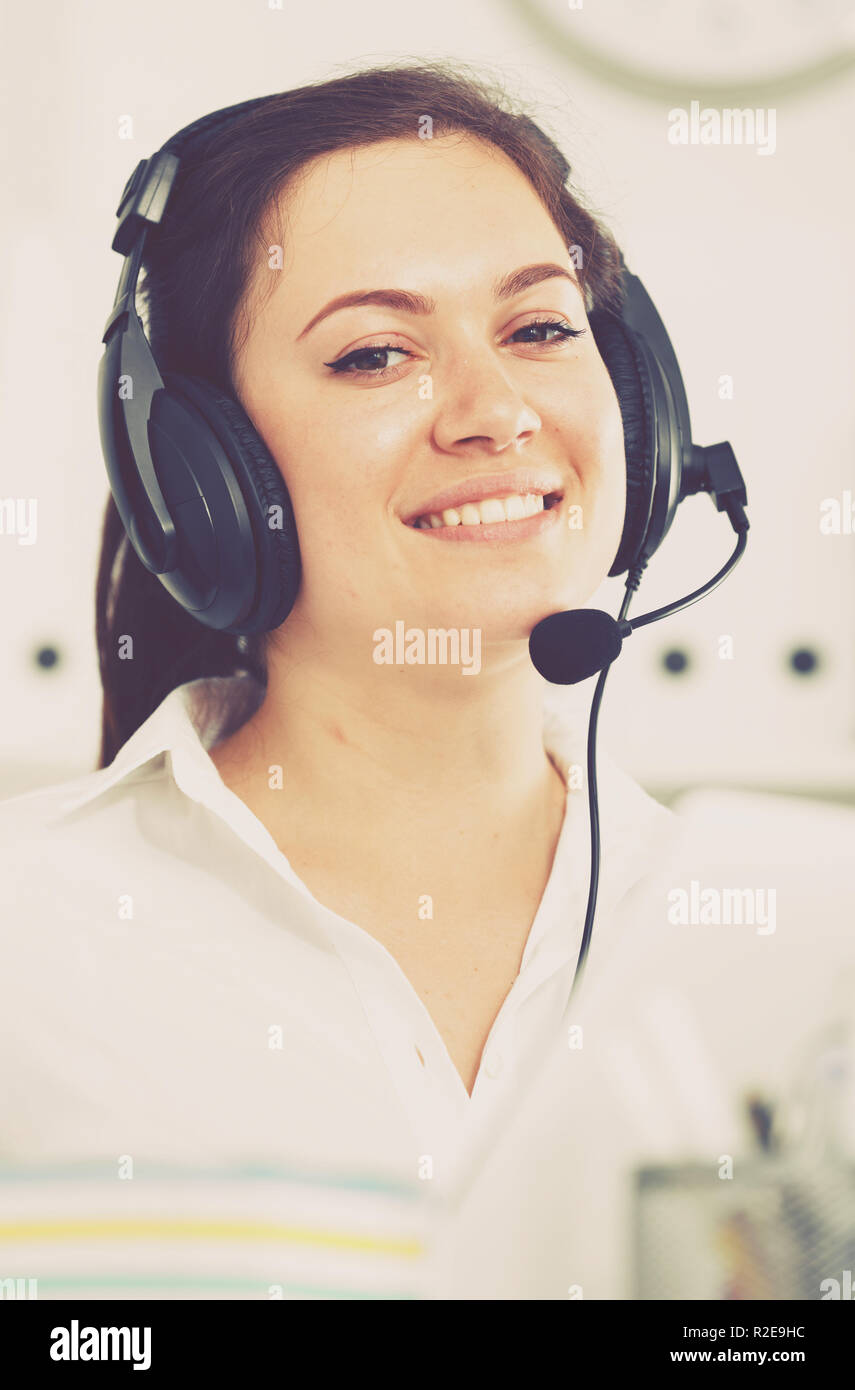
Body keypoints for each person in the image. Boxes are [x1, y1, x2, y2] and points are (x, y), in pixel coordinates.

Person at [0, 62, 691, 1297]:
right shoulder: (28, 938)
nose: (495, 412)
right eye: (377, 355)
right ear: (199, 474)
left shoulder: (783, 944)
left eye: (539, 327)